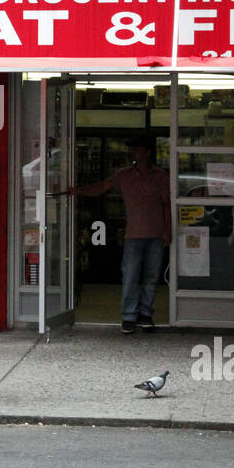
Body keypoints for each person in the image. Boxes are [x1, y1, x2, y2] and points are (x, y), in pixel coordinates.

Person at [69, 134, 171, 334]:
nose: (134, 152)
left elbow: (167, 204)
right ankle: (129, 316)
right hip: (133, 234)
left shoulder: (160, 176)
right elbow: (102, 187)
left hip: (156, 234)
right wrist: (79, 191)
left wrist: (167, 229)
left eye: (137, 149)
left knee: (151, 276)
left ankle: (145, 314)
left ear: (147, 152)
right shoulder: (124, 175)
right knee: (130, 275)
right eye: (133, 149)